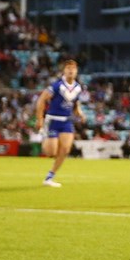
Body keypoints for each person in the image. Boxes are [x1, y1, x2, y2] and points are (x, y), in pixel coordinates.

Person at [35, 59, 86, 188]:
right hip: (53, 120)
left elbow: (75, 104)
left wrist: (80, 113)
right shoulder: (57, 85)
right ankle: (45, 137)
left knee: (65, 150)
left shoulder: (78, 88)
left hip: (67, 121)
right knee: (51, 152)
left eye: (73, 68)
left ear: (76, 71)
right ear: (64, 71)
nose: (70, 71)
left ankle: (50, 177)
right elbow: (41, 100)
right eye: (68, 68)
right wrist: (40, 119)